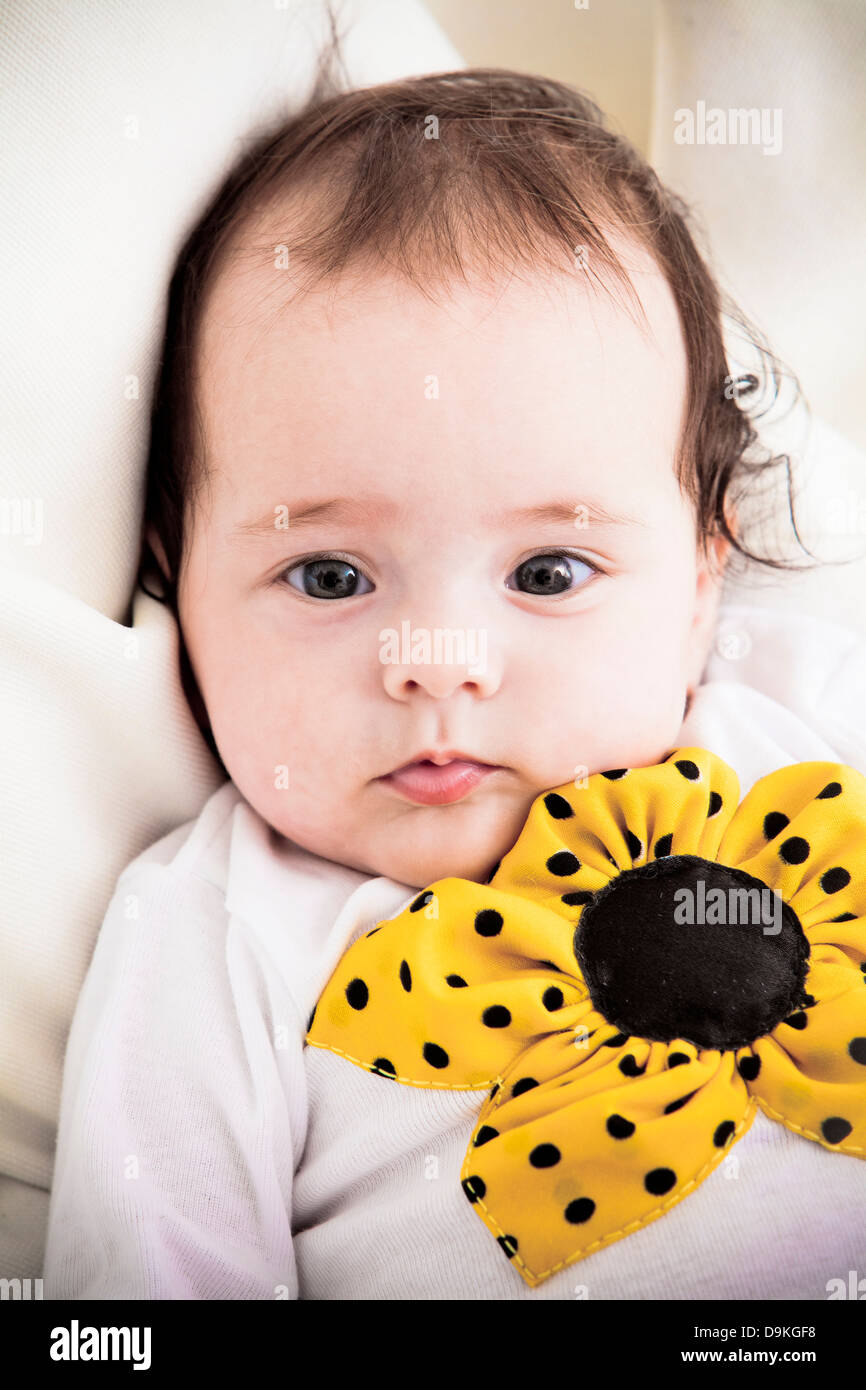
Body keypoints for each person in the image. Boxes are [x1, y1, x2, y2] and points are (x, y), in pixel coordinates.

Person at [43, 42, 866, 1299]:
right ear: (178, 580)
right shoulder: (220, 933)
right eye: (328, 577)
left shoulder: (800, 712)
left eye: (546, 573)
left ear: (703, 577)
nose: (441, 670)